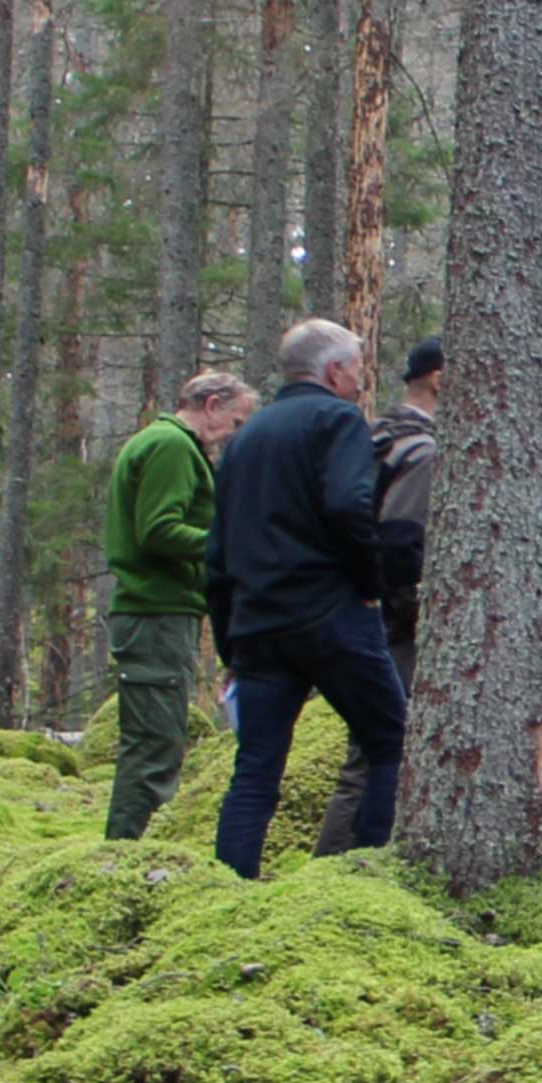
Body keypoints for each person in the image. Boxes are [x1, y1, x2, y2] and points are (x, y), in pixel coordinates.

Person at [206, 320, 406, 874]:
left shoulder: (247, 436)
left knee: (256, 768)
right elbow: (347, 506)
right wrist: (373, 585)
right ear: (334, 370)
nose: (361, 381)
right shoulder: (337, 419)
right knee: (389, 739)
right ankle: (369, 876)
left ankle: (228, 891)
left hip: (257, 625)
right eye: (359, 369)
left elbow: (216, 552)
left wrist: (231, 646)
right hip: (331, 615)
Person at [101, 370, 254, 841]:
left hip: (161, 611)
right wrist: (229, 545)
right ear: (210, 404)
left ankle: (130, 848)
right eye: (235, 420)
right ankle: (125, 854)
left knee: (159, 738)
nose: (234, 433)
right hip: (154, 612)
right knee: (155, 744)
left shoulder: (169, 445)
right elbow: (158, 530)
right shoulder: (170, 446)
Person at [321, 339, 441, 855]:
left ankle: (340, 868)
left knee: (373, 747)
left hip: (356, 610)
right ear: (439, 379)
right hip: (391, 622)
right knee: (382, 749)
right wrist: (413, 617)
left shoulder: (375, 439)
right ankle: (346, 871)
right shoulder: (421, 450)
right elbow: (400, 545)